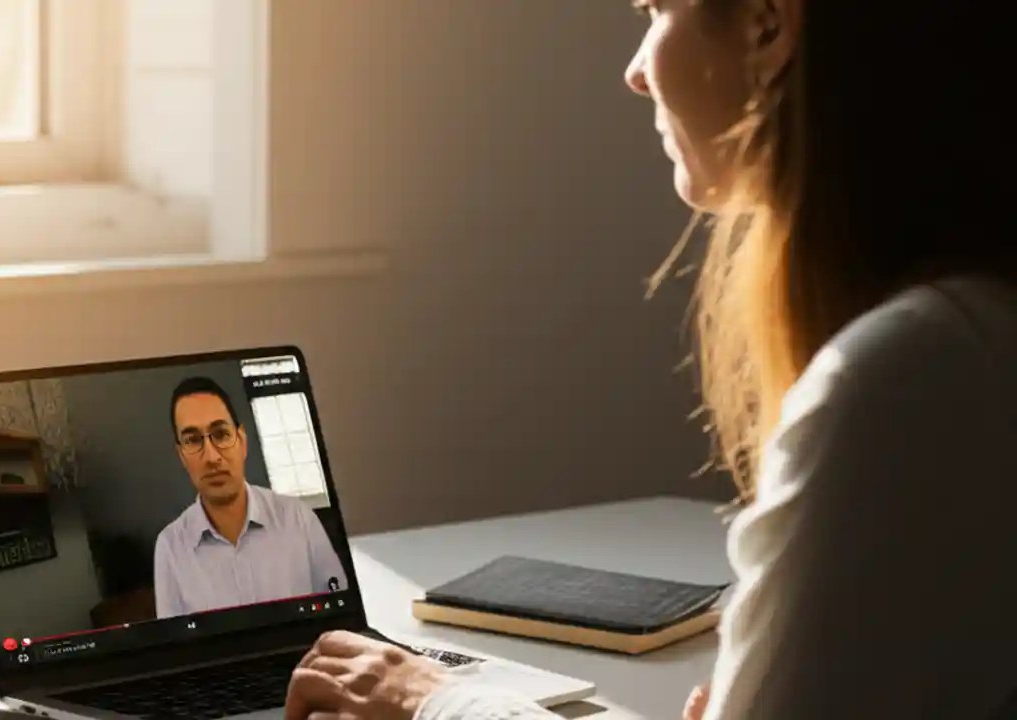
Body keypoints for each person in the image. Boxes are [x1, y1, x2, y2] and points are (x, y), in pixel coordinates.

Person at [286, 0, 1017, 718]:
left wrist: (435, 700)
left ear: (767, 24)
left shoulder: (899, 387)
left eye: (653, 10)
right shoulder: (966, 337)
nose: (636, 72)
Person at [153, 377, 348, 619]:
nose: (212, 457)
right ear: (182, 456)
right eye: (193, 440)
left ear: (242, 441)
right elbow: (177, 650)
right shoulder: (170, 547)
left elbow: (341, 613)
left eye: (221, 434)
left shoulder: (298, 519)